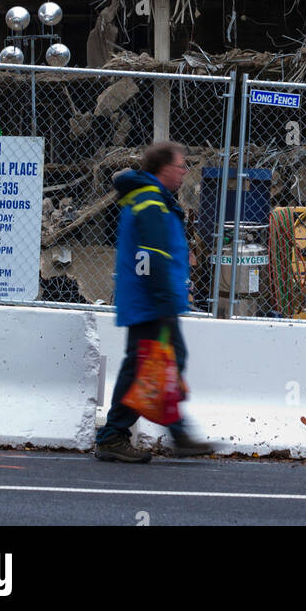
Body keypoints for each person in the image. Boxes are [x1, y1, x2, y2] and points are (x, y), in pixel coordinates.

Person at [95, 141, 210, 461]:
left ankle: (176, 433)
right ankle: (114, 436)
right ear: (164, 168)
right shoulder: (150, 201)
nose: (185, 171)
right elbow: (151, 255)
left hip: (152, 300)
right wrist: (163, 299)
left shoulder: (154, 199)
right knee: (147, 366)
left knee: (160, 363)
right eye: (181, 165)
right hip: (152, 302)